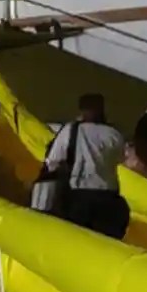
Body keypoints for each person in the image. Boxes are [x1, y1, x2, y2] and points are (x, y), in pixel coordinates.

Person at [41, 93, 131, 239]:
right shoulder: (114, 134)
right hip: (108, 198)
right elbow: (120, 158)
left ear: (81, 110)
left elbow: (53, 161)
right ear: (102, 109)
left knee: (74, 240)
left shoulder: (71, 130)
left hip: (78, 196)